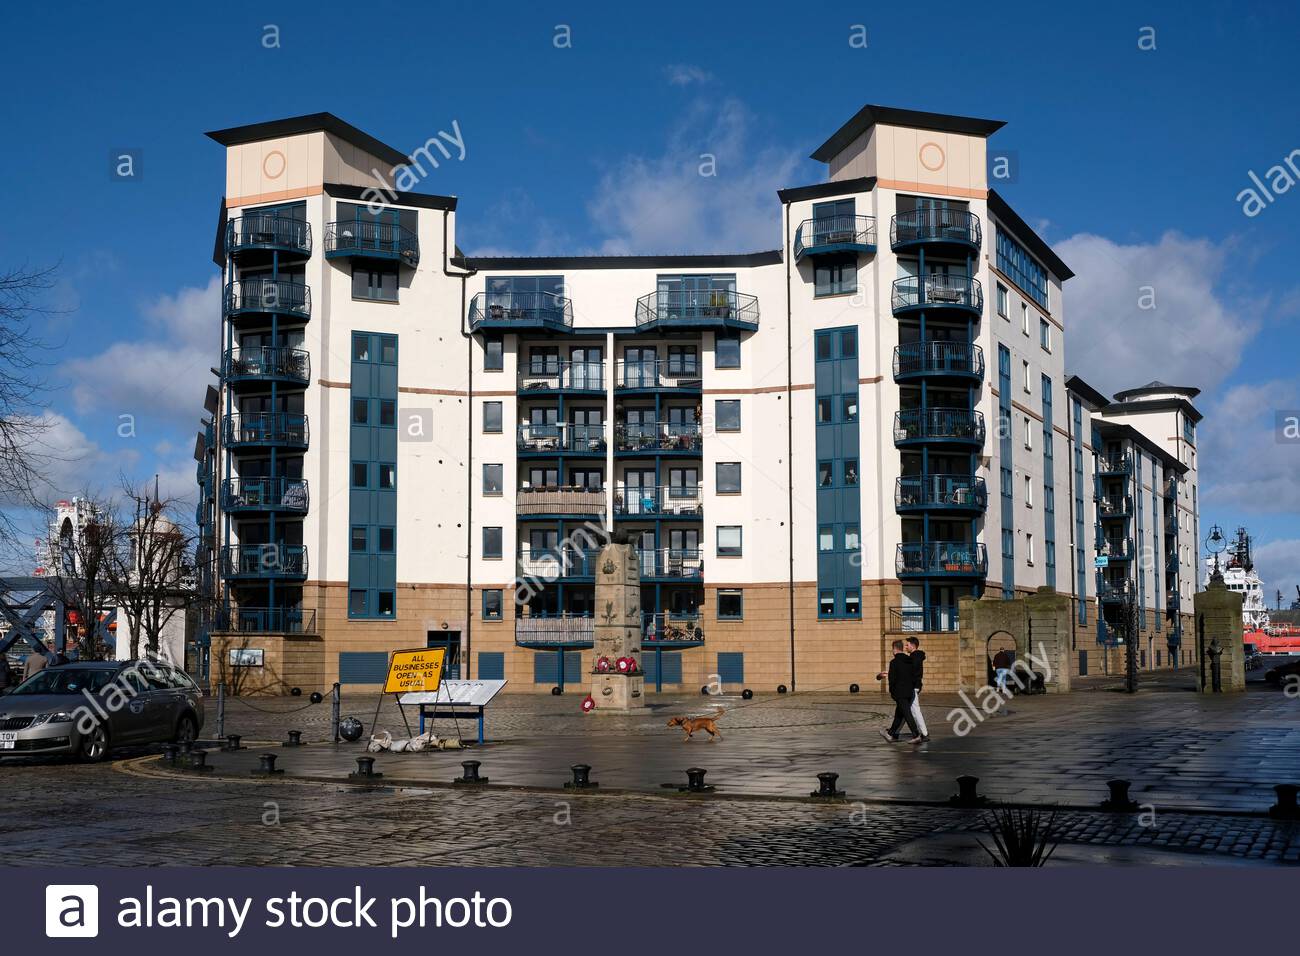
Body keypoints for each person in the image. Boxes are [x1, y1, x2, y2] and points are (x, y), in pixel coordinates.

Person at [878, 640, 919, 742]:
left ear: (894, 649)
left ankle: (916, 734)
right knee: (899, 714)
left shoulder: (894, 662)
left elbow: (892, 680)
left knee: (907, 714)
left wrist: (893, 693)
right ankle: (891, 733)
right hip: (909, 692)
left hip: (900, 693)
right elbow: (914, 676)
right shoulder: (910, 660)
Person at [905, 636, 930, 744]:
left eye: (907, 645)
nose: (906, 647)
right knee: (909, 710)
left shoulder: (914, 658)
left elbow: (912, 672)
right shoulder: (916, 656)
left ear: (913, 645)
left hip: (913, 686)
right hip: (915, 685)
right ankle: (893, 731)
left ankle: (924, 734)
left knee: (915, 710)